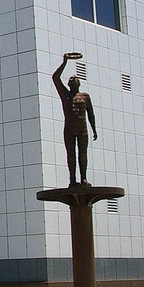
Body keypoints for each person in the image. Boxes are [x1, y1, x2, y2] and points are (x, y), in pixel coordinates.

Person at [53, 52, 97, 186]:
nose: (73, 78)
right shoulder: (65, 94)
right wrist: (65, 62)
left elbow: (91, 114)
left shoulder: (85, 96)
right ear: (68, 83)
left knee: (82, 155)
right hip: (69, 129)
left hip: (82, 129)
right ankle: (72, 180)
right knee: (71, 155)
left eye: (75, 78)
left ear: (79, 84)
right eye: (71, 78)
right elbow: (55, 77)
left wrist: (94, 129)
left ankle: (83, 178)